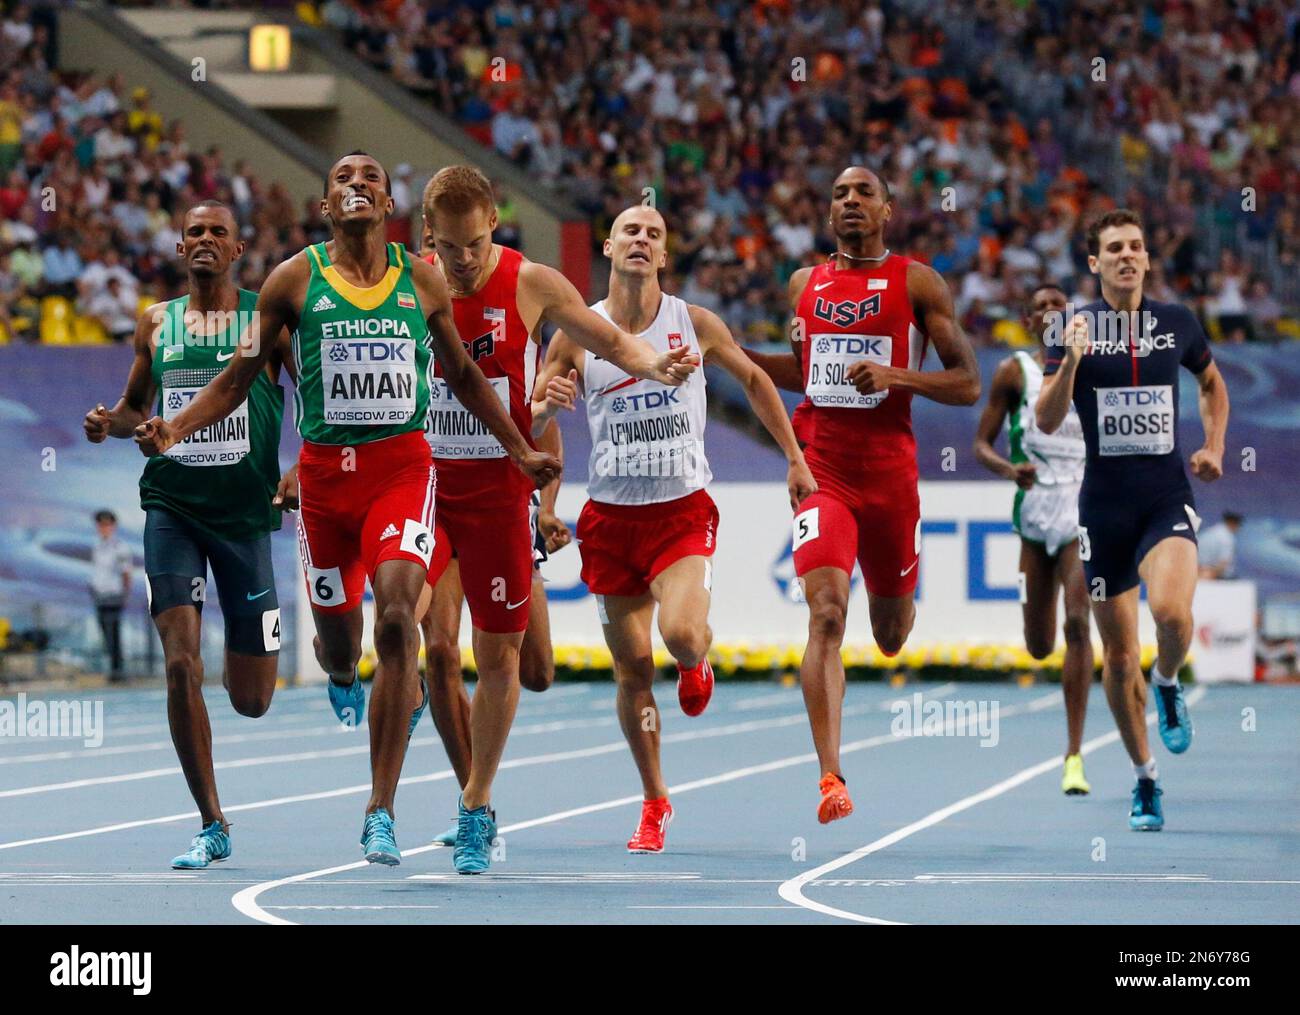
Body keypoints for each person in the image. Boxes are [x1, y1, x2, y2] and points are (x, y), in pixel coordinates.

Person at [132, 153, 563, 867]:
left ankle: (380, 809)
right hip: (328, 485)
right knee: (341, 642)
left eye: (369, 177)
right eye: (342, 179)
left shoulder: (419, 278)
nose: (356, 184)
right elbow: (238, 377)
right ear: (326, 205)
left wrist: (519, 450)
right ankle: (340, 674)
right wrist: (174, 429)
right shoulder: (292, 281)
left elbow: (462, 373)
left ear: (389, 202)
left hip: (402, 473)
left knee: (398, 621)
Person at [414, 167, 700, 872]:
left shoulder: (533, 283)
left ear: (495, 228)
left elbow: (605, 341)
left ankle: (477, 791)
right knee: (426, 642)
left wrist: (654, 365)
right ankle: (468, 795)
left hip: (499, 492)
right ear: (430, 241)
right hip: (426, 487)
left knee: (523, 666)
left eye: (477, 244)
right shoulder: (410, 285)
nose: (464, 262)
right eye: (450, 249)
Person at [533, 203, 815, 852]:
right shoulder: (577, 331)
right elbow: (537, 414)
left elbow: (754, 382)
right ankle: (655, 799)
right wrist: (545, 491)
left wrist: (795, 458)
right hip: (609, 520)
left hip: (679, 512)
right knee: (633, 670)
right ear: (607, 246)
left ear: (664, 256)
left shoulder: (695, 324)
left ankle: (697, 661)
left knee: (681, 633)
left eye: (654, 234)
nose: (641, 239)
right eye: (630, 230)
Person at [745, 165, 980, 823]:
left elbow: (967, 382)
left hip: (891, 478)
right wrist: (736, 357)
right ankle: (830, 775)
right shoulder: (805, 285)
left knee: (891, 634)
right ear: (828, 213)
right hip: (824, 472)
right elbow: (807, 374)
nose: (850, 200)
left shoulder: (917, 281)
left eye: (864, 192)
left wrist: (895, 375)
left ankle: (900, 585)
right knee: (825, 614)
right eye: (840, 193)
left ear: (887, 209)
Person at [83, 201, 296, 868]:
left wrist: (302, 466)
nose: (205, 240)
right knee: (180, 660)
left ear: (238, 249)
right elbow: (136, 410)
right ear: (181, 246)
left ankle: (251, 672)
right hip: (171, 506)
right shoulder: (156, 321)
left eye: (218, 232)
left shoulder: (268, 318)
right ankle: (211, 819)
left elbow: (312, 397)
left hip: (244, 516)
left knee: (253, 698)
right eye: (195, 231)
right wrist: (109, 423)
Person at [1037, 208, 1230, 831]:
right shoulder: (1070, 327)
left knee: (1171, 615)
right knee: (1118, 659)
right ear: (1094, 263)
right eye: (1114, 248)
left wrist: (1215, 447)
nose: (1127, 255)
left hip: (1164, 497)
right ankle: (1146, 781)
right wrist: (1069, 361)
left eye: (1136, 247)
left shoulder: (1175, 323)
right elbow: (1044, 418)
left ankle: (1169, 679)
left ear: (1147, 260)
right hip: (1103, 507)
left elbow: (1211, 384)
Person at [973, 283, 1094, 795]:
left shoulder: (1092, 365)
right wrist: (1008, 468)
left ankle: (1073, 754)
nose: (1050, 311)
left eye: (1058, 305)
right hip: (1033, 509)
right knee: (1040, 645)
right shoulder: (1013, 372)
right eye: (1040, 306)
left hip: (1081, 507)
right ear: (1028, 321)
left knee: (1076, 620)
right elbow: (980, 444)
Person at [88, 509, 132, 683]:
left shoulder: (119, 547)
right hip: (100, 594)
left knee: (114, 632)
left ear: (113, 526)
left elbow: (125, 573)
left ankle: (118, 670)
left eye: (107, 525)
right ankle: (114, 668)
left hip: (114, 594)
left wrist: (125, 593)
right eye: (101, 525)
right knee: (105, 632)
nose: (104, 528)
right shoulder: (96, 545)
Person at [1197, 510, 1242, 580]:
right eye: (1239, 525)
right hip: (1215, 577)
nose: (1239, 529)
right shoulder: (1227, 537)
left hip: (1198, 572)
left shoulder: (1209, 532)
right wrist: (1209, 575)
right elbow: (1223, 563)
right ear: (1233, 523)